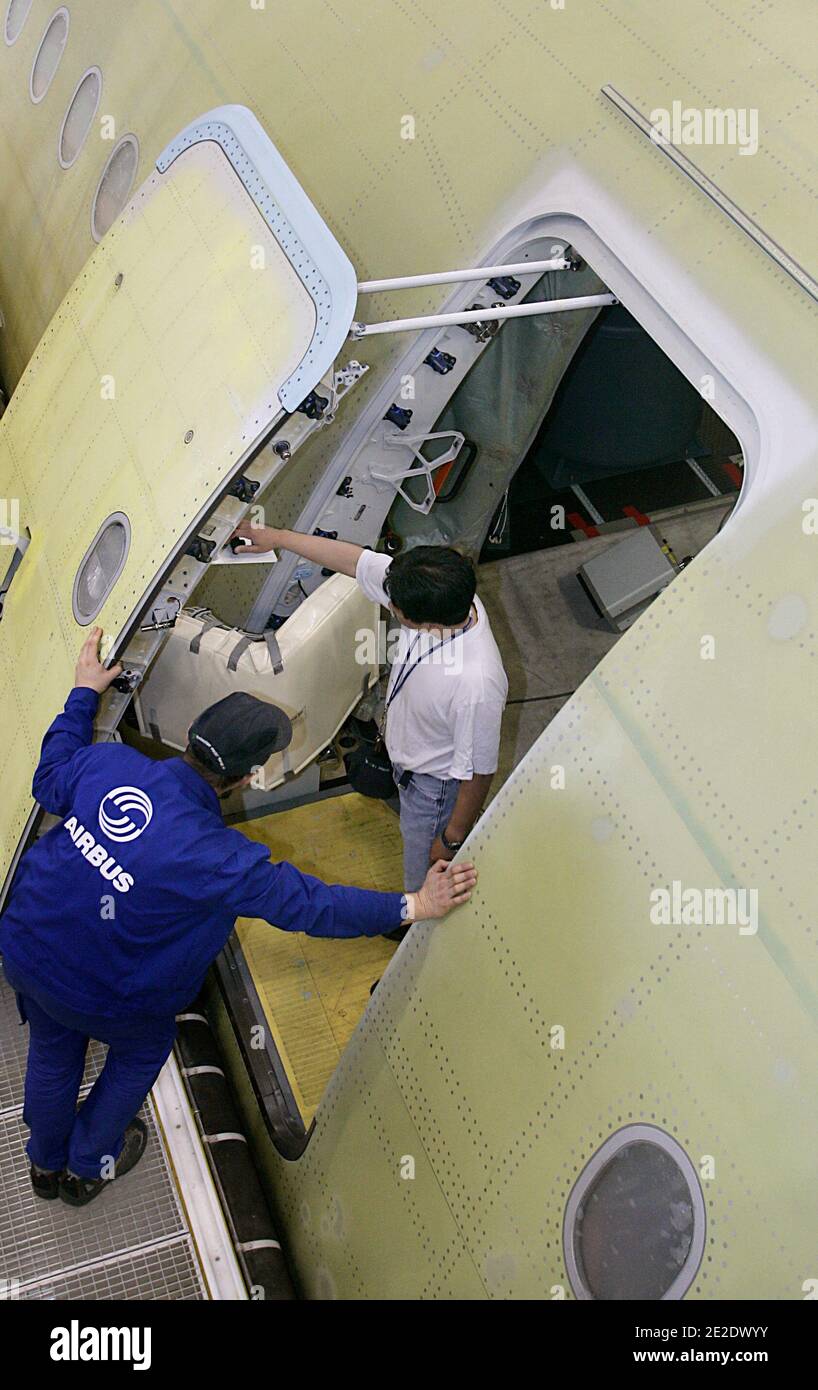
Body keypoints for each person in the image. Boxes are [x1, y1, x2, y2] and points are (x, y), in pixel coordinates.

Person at [0, 629, 476, 1208]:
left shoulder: (106, 765)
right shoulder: (220, 859)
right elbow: (313, 906)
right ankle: (85, 1166)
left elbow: (47, 779)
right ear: (248, 778)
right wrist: (416, 905)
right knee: (141, 1050)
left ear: (190, 741)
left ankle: (43, 1161)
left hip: (25, 947)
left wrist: (82, 694)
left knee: (53, 1047)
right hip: (106, 993)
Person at [231, 523, 508, 909]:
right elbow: (355, 561)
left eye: (395, 609)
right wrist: (277, 538)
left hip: (433, 786)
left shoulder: (477, 683)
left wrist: (449, 839)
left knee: (424, 869)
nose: (389, 605)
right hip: (407, 752)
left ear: (420, 621)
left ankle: (418, 920)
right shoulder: (443, 595)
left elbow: (478, 772)